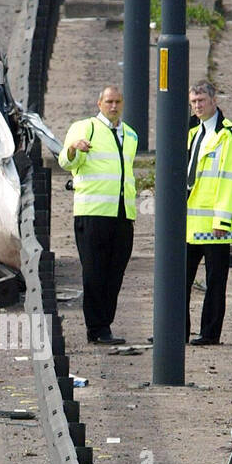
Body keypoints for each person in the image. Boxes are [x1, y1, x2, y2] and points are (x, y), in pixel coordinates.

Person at [59, 84, 138, 344]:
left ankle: (105, 325)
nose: (113, 106)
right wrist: (73, 148)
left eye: (117, 102)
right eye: (108, 102)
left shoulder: (130, 135)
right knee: (94, 272)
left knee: (115, 272)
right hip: (92, 213)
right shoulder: (86, 127)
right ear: (99, 103)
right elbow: (66, 162)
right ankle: (97, 328)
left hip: (122, 214)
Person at [185, 80, 232, 345]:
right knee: (180, 279)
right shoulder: (191, 130)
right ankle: (177, 331)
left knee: (215, 283)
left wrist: (222, 220)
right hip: (189, 221)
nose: (197, 106)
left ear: (214, 101)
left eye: (201, 101)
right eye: (193, 102)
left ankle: (210, 334)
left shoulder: (231, 136)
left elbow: (230, 180)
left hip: (214, 224)